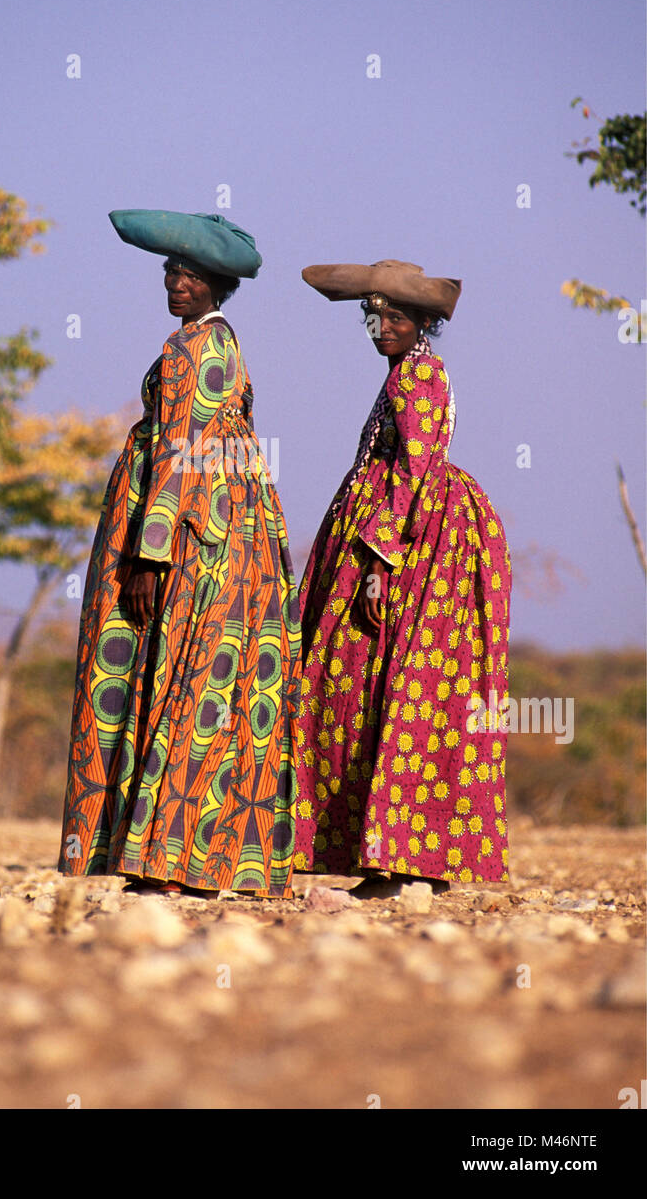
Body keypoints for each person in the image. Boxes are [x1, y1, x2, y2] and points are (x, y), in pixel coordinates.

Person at [58, 210, 301, 899]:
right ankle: (196, 858)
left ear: (217, 283)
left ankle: (164, 863)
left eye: (191, 274)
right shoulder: (219, 345)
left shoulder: (190, 350)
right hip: (232, 531)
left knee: (183, 681)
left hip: (194, 537)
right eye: (170, 270)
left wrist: (149, 554)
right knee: (212, 689)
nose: (176, 282)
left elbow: (179, 453)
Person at [293, 259, 511, 890]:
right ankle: (401, 857)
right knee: (375, 689)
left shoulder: (419, 375)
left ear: (422, 323)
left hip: (412, 548)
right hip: (402, 536)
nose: (379, 325)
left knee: (391, 686)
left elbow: (415, 471)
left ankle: (400, 861)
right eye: (372, 313)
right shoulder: (405, 373)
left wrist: (379, 566)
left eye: (393, 315)